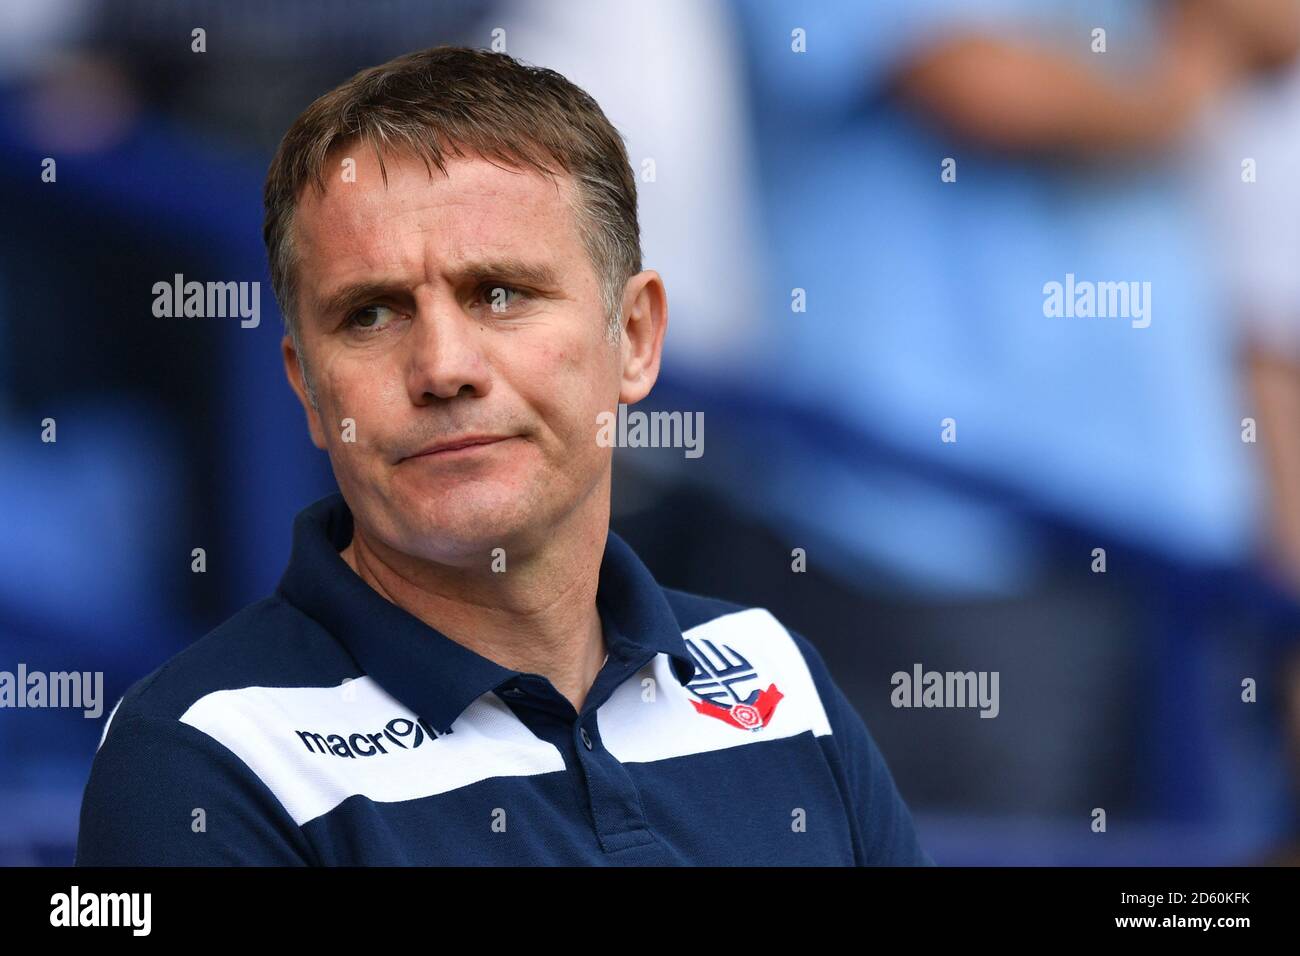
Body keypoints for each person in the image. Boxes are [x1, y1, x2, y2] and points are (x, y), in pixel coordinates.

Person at [74, 45, 932, 866]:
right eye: (371, 313)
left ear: (633, 338)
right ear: (308, 390)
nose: (444, 367)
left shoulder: (774, 675)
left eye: (499, 294)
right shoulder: (208, 750)